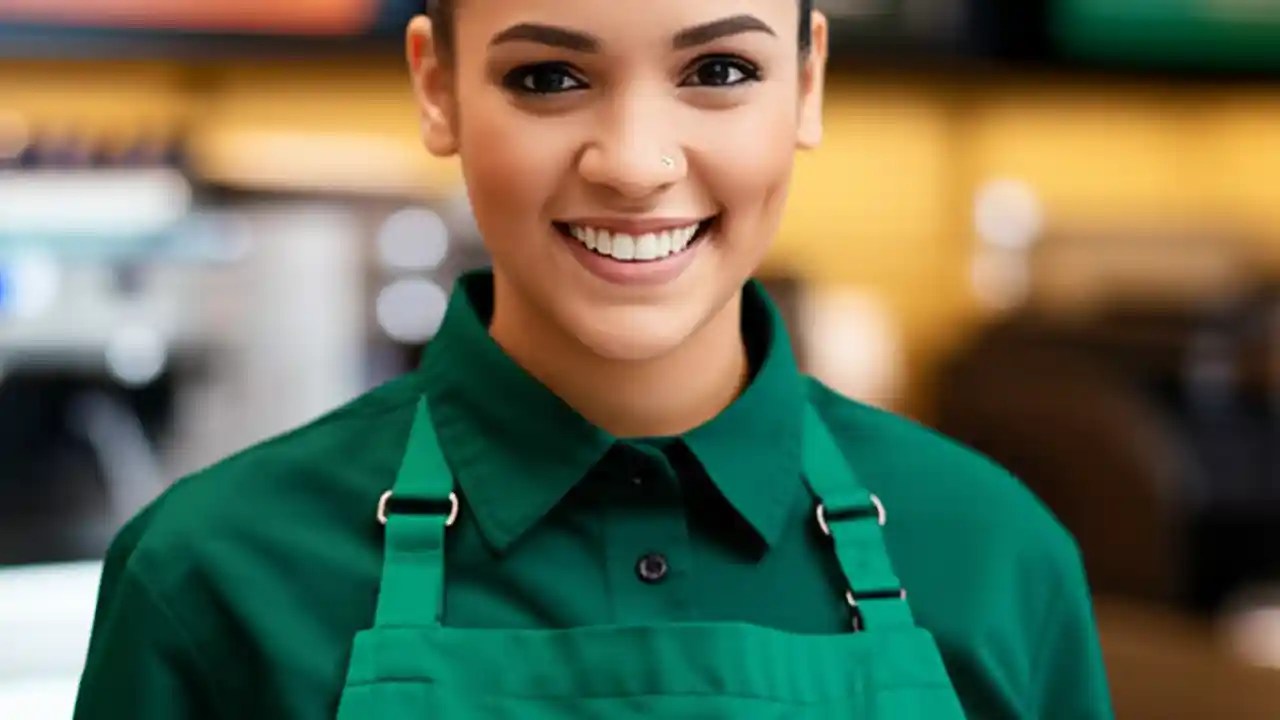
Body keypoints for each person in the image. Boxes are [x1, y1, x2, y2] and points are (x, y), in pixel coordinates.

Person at [72, 0, 1114, 717]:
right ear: (436, 89)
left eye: (717, 71)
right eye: (548, 76)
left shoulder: (996, 563)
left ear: (806, 85)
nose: (631, 164)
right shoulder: (209, 578)